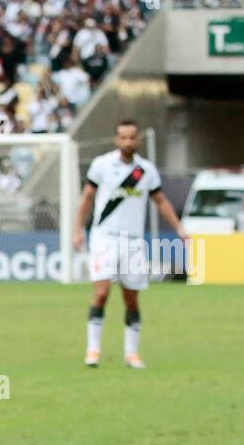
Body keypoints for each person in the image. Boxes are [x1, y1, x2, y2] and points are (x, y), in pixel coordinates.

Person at [74, 119, 188, 369]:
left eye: (132, 138)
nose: (128, 142)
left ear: (138, 140)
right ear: (116, 140)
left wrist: (178, 227)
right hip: (104, 237)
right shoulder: (101, 165)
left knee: (131, 298)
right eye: (123, 138)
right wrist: (77, 230)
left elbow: (160, 201)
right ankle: (93, 350)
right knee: (102, 292)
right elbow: (87, 199)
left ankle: (131, 353)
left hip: (133, 241)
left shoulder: (145, 171)